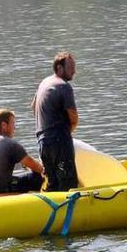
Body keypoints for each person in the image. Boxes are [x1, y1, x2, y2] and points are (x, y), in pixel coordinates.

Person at [31, 51, 80, 191]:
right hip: (59, 143)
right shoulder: (63, 86)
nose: (74, 71)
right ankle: (71, 211)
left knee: (52, 183)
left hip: (43, 142)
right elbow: (73, 116)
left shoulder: (44, 83)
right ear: (59, 67)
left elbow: (33, 106)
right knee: (68, 183)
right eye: (71, 67)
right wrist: (68, 131)